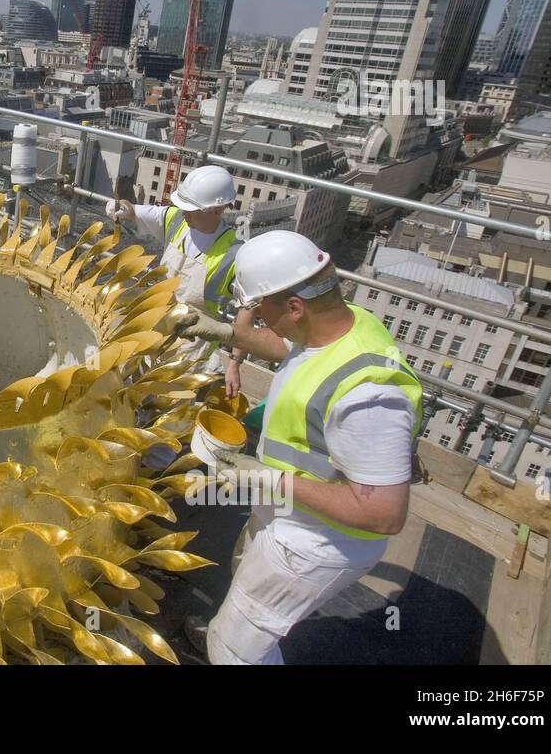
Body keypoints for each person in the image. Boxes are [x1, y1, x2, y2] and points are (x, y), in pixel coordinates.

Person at [175, 230, 422, 665]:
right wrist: (223, 332)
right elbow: (295, 347)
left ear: (294, 307)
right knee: (243, 595)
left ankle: (228, 643)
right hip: (286, 513)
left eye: (258, 309)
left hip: (315, 542)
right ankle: (228, 627)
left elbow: (384, 513)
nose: (254, 317)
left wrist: (268, 478)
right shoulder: (343, 323)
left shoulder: (369, 396)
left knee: (239, 651)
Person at [105, 165, 253, 398]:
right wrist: (121, 207)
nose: (184, 212)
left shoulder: (234, 254)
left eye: (191, 208)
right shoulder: (175, 220)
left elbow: (249, 307)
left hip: (192, 345)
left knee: (168, 407)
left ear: (216, 209)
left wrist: (234, 362)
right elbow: (134, 210)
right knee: (131, 387)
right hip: (155, 321)